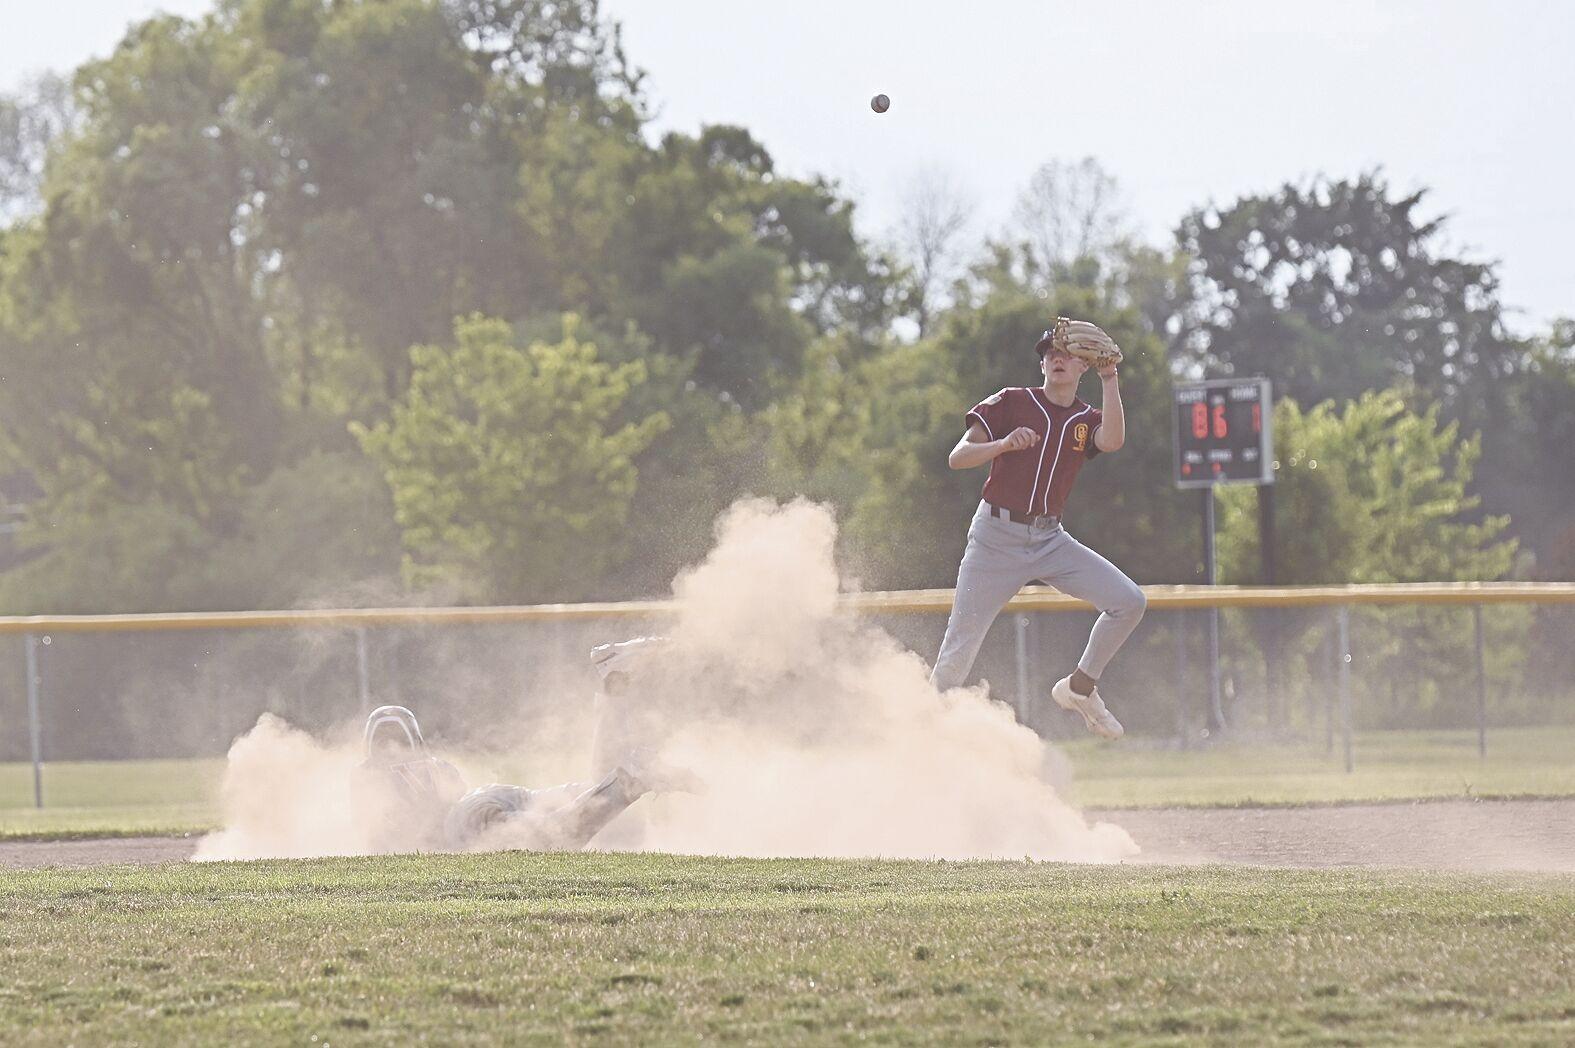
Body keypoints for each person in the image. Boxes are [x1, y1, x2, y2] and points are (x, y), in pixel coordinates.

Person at [929, 320, 1146, 738]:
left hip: (1049, 539)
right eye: (1050, 352)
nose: (1056, 358)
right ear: (1042, 364)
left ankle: (1080, 688)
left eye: (1066, 353)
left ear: (1083, 365)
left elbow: (1114, 440)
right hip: (995, 538)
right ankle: (922, 745)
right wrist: (1003, 444)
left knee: (1129, 602)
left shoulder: (1086, 418)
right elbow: (959, 457)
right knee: (957, 650)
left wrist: (1110, 376)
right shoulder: (1012, 402)